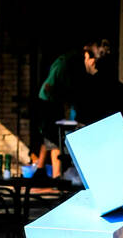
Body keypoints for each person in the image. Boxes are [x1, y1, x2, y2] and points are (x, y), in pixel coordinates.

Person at [34, 36, 112, 178]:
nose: (95, 64)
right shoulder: (73, 64)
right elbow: (72, 93)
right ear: (88, 55)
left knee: (48, 133)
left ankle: (40, 170)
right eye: (95, 61)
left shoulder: (72, 59)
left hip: (49, 97)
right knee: (54, 137)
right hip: (50, 99)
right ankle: (56, 176)